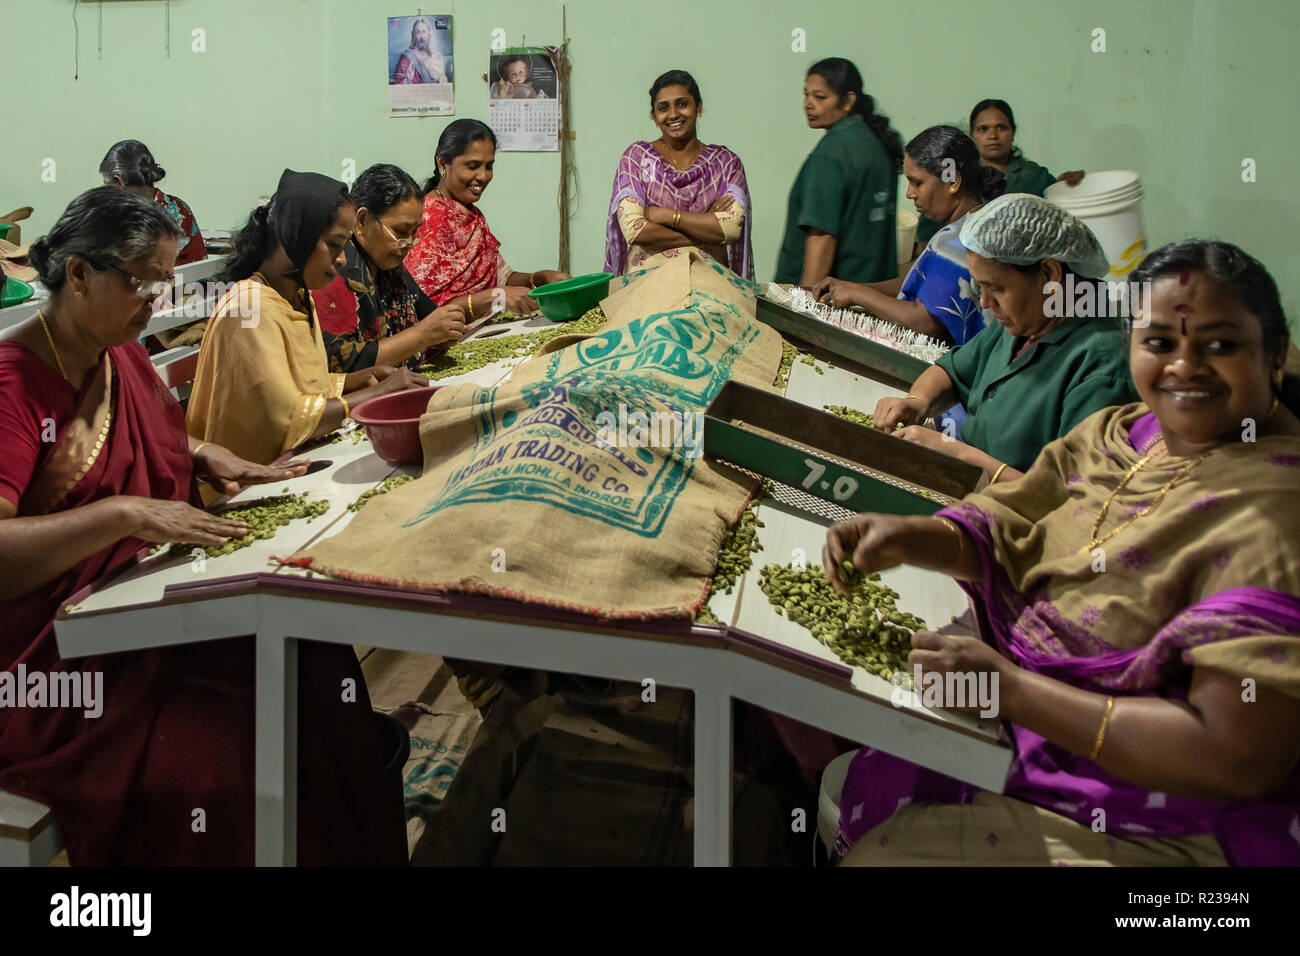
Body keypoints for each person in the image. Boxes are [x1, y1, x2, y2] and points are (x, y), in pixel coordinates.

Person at [824, 239, 1300, 867]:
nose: (1185, 366)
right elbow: (1020, 520)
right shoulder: (1128, 432)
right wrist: (909, 537)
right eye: (1159, 342)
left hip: (1168, 816)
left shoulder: (1270, 514)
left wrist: (1012, 692)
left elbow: (1233, 756)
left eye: (1220, 345)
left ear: (1273, 360)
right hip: (1043, 730)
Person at [0, 188, 406, 865]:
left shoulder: (115, 348)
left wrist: (200, 451)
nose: (155, 304)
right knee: (223, 756)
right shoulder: (13, 383)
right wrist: (122, 514)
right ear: (78, 274)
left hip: (135, 601)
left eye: (163, 282)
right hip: (55, 662)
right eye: (142, 283)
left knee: (313, 667)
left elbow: (137, 439)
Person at [873, 193, 1137, 480]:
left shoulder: (1102, 364)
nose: (985, 302)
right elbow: (952, 370)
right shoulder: (1027, 320)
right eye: (981, 287)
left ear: (1049, 274)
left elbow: (1072, 502)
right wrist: (916, 401)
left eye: (996, 288)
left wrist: (958, 454)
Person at [187, 170, 427, 485]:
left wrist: (351, 381)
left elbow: (303, 384)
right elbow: (286, 417)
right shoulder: (249, 310)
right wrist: (379, 394)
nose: (342, 259)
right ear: (295, 239)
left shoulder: (298, 296)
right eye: (333, 245)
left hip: (298, 459)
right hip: (247, 479)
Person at [815, 126, 1003, 346]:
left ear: (952, 181)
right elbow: (917, 283)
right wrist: (850, 287)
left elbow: (925, 321)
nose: (909, 193)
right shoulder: (974, 223)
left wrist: (858, 294)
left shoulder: (959, 241)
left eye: (918, 183)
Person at [405, 120, 569, 320]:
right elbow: (423, 310)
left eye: (489, 166)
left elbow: (501, 277)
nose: (483, 176)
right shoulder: (425, 220)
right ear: (442, 163)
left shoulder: (470, 214)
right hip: (441, 342)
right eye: (472, 166)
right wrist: (495, 297)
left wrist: (539, 278)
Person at [311, 164, 467, 373]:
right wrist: (421, 336)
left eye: (414, 233)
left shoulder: (390, 268)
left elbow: (429, 314)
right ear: (362, 221)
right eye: (401, 231)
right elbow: (339, 361)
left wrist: (446, 329)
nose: (408, 244)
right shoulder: (338, 268)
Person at [604, 70, 753, 279]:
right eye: (663, 108)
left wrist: (664, 216)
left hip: (711, 286)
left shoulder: (726, 163)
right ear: (654, 117)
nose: (673, 114)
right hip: (647, 286)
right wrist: (705, 225)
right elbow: (634, 229)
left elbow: (730, 227)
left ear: (698, 107)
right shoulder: (636, 159)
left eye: (682, 104)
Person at [774, 58, 903, 287]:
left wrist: (805, 308)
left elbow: (822, 237)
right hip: (875, 297)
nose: (808, 104)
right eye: (806, 95)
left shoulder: (830, 156)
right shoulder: (877, 144)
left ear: (848, 101)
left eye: (820, 97)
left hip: (834, 302)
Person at [914, 99, 1085, 249]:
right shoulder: (954, 177)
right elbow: (927, 230)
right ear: (972, 135)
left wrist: (1066, 185)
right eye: (983, 129)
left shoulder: (1034, 176)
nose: (993, 136)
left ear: (1013, 131)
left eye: (1001, 128)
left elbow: (1057, 212)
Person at [100, 140, 206, 266]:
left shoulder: (123, 216)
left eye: (108, 186)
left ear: (120, 182)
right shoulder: (179, 208)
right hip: (198, 284)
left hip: (172, 284)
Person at [391, 16, 447, 84]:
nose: (421, 36)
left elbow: (442, 82)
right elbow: (396, 84)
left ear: (429, 35)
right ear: (414, 36)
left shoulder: (436, 57)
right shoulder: (407, 58)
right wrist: (408, 80)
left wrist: (440, 78)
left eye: (424, 32)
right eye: (418, 32)